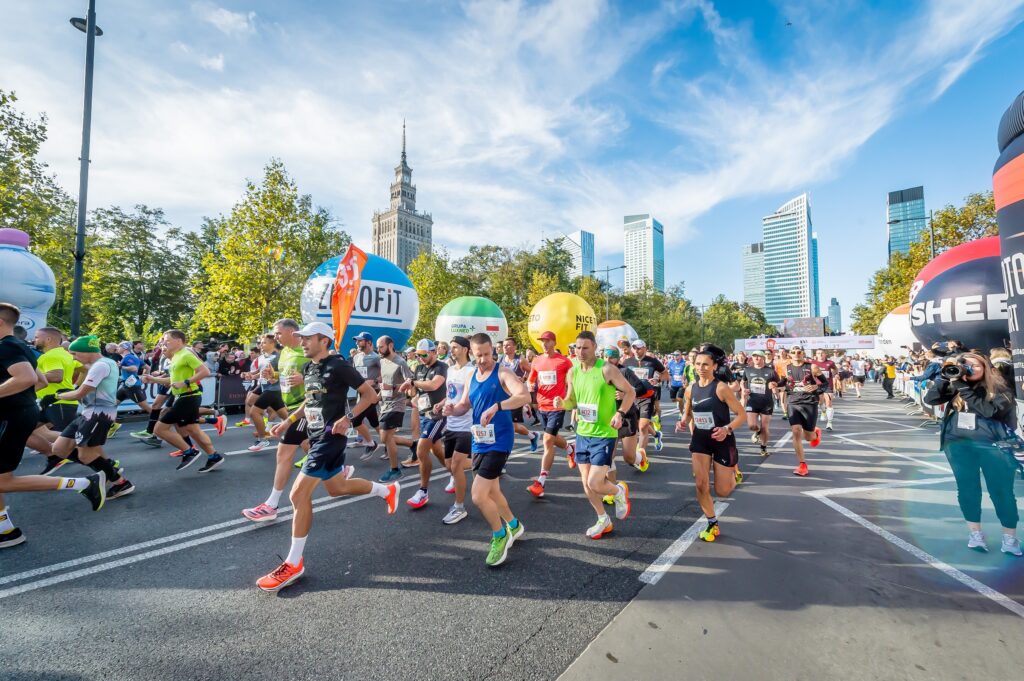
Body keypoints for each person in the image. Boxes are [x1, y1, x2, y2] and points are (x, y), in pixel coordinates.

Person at [255, 322, 399, 591]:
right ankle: (386, 490)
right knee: (337, 488)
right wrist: (288, 422)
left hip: (331, 438)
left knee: (297, 495)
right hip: (316, 434)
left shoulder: (339, 365)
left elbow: (370, 395)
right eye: (301, 338)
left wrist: (348, 419)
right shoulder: (310, 367)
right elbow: (309, 402)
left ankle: (294, 563)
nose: (303, 342)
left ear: (325, 341)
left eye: (308, 338)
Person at [0, 304, 105, 549]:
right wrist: (20, 399)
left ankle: (83, 483)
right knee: (1, 476)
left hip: (11, 418)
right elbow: (40, 380)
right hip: (19, 413)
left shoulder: (5, 347)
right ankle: (5, 530)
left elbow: (27, 379)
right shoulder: (19, 347)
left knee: (3, 480)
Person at [923, 352, 1021, 556]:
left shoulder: (1000, 389)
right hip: (958, 444)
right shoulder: (956, 384)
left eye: (975, 365)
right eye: (965, 364)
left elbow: (987, 411)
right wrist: (944, 377)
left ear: (986, 367)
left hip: (994, 446)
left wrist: (962, 386)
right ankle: (975, 534)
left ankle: (1010, 537)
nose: (969, 368)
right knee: (968, 489)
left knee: (1001, 492)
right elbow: (930, 399)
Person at [444, 333, 529, 566]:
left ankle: (499, 535)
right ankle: (513, 525)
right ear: (471, 353)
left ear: (494, 351)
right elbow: (464, 405)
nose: (482, 359)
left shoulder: (503, 373)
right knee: (492, 492)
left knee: (478, 495)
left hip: (499, 441)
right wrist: (451, 409)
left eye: (486, 354)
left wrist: (498, 406)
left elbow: (523, 395)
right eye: (478, 355)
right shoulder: (472, 376)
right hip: (479, 439)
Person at [554, 331, 635, 539]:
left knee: (595, 482)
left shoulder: (607, 369)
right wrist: (562, 403)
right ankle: (602, 519)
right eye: (577, 348)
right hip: (583, 433)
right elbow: (572, 401)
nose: (580, 352)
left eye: (585, 348)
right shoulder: (573, 372)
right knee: (586, 483)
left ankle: (618, 491)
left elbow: (630, 392)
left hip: (604, 433)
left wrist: (620, 413)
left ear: (594, 347)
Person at [51, 335, 135, 500]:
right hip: (88, 412)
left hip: (98, 414)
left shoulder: (101, 365)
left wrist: (57, 396)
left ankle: (120, 483)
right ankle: (106, 468)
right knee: (59, 449)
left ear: (86, 351)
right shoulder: (103, 362)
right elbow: (84, 376)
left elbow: (81, 392)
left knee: (85, 455)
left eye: (75, 353)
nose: (74, 357)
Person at [678, 345, 746, 542]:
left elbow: (741, 415)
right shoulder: (691, 388)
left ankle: (734, 471)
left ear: (714, 366)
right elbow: (688, 410)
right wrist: (683, 420)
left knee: (722, 491)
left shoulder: (721, 388)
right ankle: (712, 522)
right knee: (700, 484)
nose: (701, 368)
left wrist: (727, 429)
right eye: (698, 364)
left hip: (722, 439)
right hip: (700, 439)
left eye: (706, 364)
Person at [143, 329, 223, 473]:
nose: (165, 343)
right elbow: (173, 380)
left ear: (178, 341)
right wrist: (152, 379)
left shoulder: (186, 354)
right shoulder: (176, 356)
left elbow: (204, 371)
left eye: (167, 340)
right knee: (193, 429)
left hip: (189, 397)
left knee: (159, 429)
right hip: (184, 397)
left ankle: (189, 451)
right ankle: (214, 456)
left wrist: (186, 382)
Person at [525, 330, 575, 498]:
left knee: (547, 440)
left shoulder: (564, 362)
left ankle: (541, 481)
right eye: (542, 341)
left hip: (557, 407)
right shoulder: (537, 361)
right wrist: (530, 385)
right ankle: (570, 448)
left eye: (547, 341)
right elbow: (531, 379)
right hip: (542, 406)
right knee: (551, 437)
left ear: (554, 342)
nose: (544, 344)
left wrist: (569, 398)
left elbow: (576, 377)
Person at [404, 339, 449, 510]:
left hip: (437, 415)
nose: (421, 358)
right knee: (437, 451)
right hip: (424, 413)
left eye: (424, 354)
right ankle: (455, 474)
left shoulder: (441, 366)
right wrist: (409, 388)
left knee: (421, 449)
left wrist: (414, 383)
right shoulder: (419, 368)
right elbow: (416, 393)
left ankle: (423, 491)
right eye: (418, 355)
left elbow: (433, 385)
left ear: (433, 352)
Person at [440, 336, 475, 524]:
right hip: (451, 424)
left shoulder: (471, 371)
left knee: (456, 466)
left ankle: (459, 507)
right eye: (450, 347)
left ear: (465, 350)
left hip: (466, 427)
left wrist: (455, 409)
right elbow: (450, 395)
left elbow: (468, 401)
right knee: (448, 465)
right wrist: (441, 404)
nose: (451, 350)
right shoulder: (450, 369)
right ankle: (478, 460)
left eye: (454, 348)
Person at [375, 335, 414, 483]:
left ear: (390, 346)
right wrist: (376, 397)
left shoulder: (401, 362)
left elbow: (410, 384)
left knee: (385, 437)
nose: (378, 349)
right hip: (384, 403)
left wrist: (391, 387)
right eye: (377, 347)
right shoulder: (382, 361)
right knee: (386, 437)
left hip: (397, 404)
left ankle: (395, 470)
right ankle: (413, 444)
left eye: (381, 346)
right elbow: (385, 383)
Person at [784, 347, 826, 476]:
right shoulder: (786, 368)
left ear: (803, 354)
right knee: (796, 431)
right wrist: (775, 384)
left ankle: (815, 434)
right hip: (793, 403)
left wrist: (816, 387)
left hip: (809, 403)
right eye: (793, 352)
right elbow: (782, 382)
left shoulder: (812, 367)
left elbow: (825, 383)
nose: (796, 354)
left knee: (808, 437)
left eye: (799, 352)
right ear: (789, 354)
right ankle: (802, 464)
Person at [498, 337, 539, 451]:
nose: (505, 347)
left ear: (514, 347)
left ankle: (505, 454)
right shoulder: (500, 360)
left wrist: (524, 378)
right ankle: (532, 435)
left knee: (510, 427)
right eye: (504, 345)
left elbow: (531, 371)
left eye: (508, 345)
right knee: (514, 427)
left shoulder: (520, 360)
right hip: (503, 396)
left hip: (516, 396)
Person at [631, 339, 667, 456]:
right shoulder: (627, 362)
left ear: (645, 348)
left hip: (647, 397)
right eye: (634, 348)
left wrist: (657, 379)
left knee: (642, 427)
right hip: (632, 398)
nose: (636, 350)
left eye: (639, 348)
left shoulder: (653, 361)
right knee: (638, 425)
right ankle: (656, 434)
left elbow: (666, 374)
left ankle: (640, 456)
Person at [741, 350, 779, 457]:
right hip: (752, 401)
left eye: (758, 357)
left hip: (766, 402)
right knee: (752, 425)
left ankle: (763, 448)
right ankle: (757, 432)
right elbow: (742, 381)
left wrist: (775, 386)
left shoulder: (770, 371)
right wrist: (744, 389)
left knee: (764, 427)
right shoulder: (747, 370)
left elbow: (779, 383)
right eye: (754, 357)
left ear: (763, 358)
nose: (756, 358)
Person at [349, 331, 381, 456]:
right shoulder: (356, 357)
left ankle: (371, 443)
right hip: (361, 394)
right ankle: (390, 443)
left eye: (360, 340)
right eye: (356, 340)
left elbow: (385, 374)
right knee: (375, 422)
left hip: (372, 394)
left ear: (368, 343)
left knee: (354, 420)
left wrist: (375, 381)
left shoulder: (376, 357)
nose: (357, 342)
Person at [811, 349, 838, 431]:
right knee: (820, 402)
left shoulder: (830, 363)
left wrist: (834, 375)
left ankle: (829, 423)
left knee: (829, 403)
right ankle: (823, 411)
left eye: (822, 353)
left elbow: (835, 369)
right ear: (816, 355)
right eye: (818, 353)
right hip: (818, 385)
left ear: (825, 354)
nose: (820, 355)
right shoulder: (813, 363)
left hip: (828, 385)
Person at [666, 350, 686, 416]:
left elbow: (686, 373)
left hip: (681, 384)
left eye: (677, 355)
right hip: (673, 384)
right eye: (674, 355)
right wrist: (668, 380)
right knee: (673, 399)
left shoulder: (684, 363)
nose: (675, 356)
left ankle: (681, 413)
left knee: (680, 399)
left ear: (680, 355)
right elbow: (667, 372)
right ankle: (682, 402)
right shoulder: (670, 363)